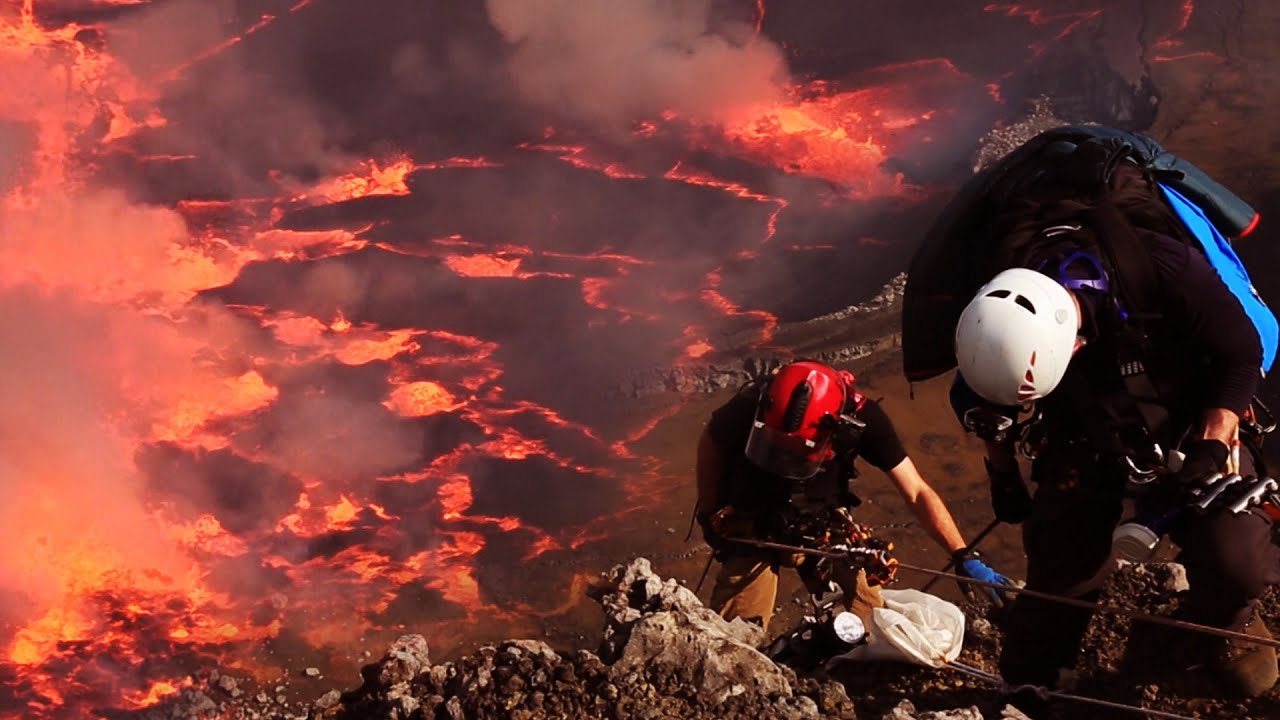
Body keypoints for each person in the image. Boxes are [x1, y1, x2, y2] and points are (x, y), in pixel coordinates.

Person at [950, 192, 1280, 703]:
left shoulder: (1161, 267)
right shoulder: (995, 320)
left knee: (1233, 558)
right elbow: (988, 408)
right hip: (1083, 437)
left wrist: (1213, 447)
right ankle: (1030, 685)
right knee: (1062, 567)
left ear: (1073, 347)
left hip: (1187, 426)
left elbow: (1241, 353)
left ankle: (1227, 626)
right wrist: (1003, 476)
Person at [694, 358, 1010, 636]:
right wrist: (709, 509)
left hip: (822, 521)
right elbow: (712, 440)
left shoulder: (864, 420)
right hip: (753, 519)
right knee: (733, 636)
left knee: (867, 615)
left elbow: (916, 491)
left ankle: (853, 662)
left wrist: (961, 553)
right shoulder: (754, 401)